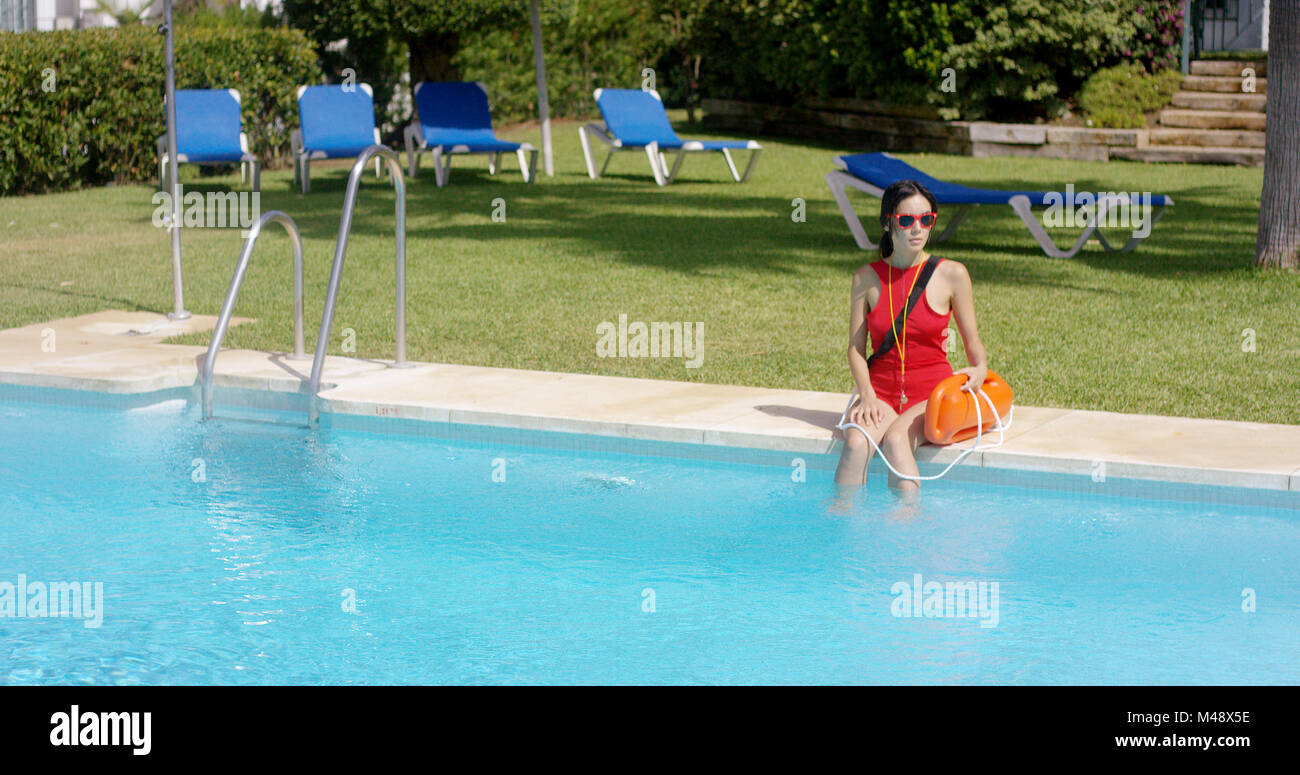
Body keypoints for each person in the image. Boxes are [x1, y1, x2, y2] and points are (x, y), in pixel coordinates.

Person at [834, 179, 989, 497]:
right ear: (888, 223)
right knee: (854, 442)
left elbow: (972, 340)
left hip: (930, 394)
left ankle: (906, 533)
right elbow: (855, 348)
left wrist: (981, 366)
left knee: (896, 440)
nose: (917, 229)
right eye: (907, 220)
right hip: (881, 392)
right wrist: (867, 394)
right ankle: (842, 530)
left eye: (926, 219)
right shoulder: (866, 278)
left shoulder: (952, 274)